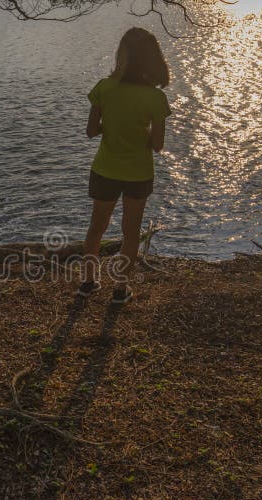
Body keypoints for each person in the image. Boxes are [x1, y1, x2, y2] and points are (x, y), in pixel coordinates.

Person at [77, 27, 171, 303]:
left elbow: (91, 131)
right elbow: (157, 145)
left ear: (123, 55)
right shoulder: (156, 98)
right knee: (131, 232)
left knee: (97, 228)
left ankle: (88, 282)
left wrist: (112, 126)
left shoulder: (104, 89)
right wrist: (138, 131)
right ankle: (120, 288)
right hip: (138, 173)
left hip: (105, 169)